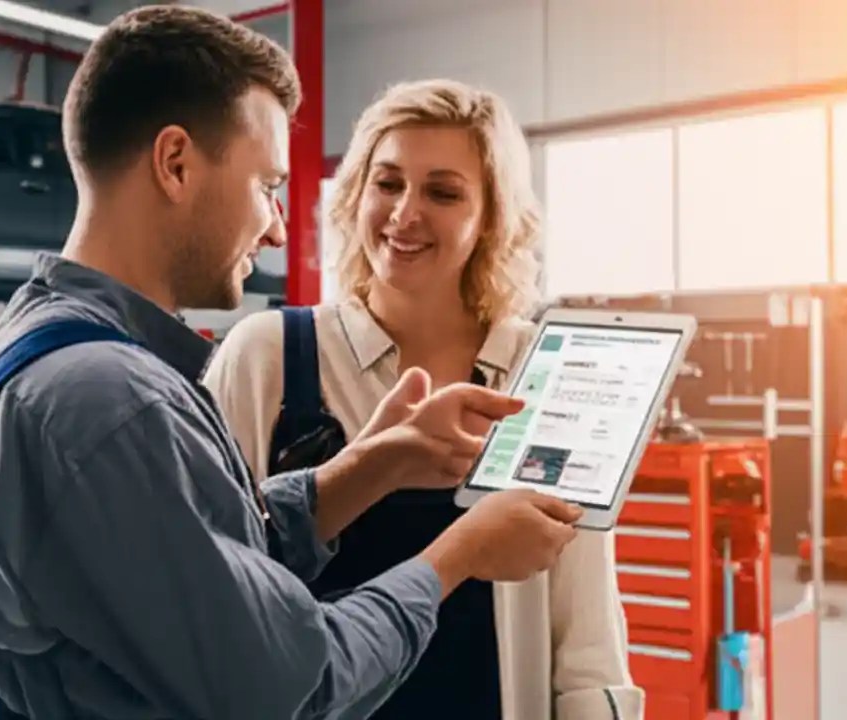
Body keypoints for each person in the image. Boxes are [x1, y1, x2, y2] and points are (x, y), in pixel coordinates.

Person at [0, 7, 584, 719]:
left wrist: (376, 464)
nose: (279, 228)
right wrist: (458, 555)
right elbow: (293, 686)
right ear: (175, 164)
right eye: (267, 186)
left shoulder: (46, 347)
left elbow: (209, 555)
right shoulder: (118, 404)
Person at [204, 79, 645, 719]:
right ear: (356, 194)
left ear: (492, 216)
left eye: (442, 192)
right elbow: (209, 587)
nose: (406, 213)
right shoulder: (267, 355)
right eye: (387, 184)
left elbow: (586, 637)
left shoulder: (545, 369)